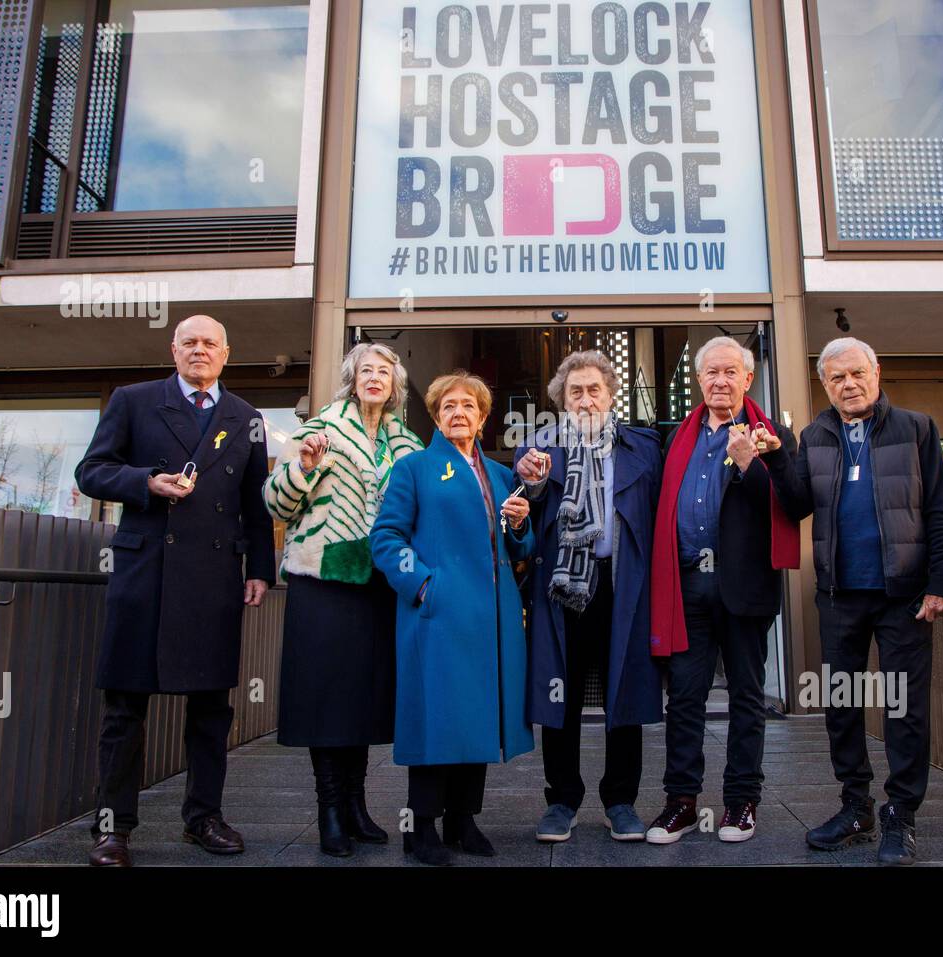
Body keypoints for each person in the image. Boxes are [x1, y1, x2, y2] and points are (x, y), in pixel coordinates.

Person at [75, 314, 275, 867]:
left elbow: (255, 504)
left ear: (226, 354)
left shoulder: (246, 418)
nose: (199, 351)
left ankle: (203, 818)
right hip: (145, 576)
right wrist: (143, 483)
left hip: (214, 580)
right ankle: (113, 829)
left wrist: (260, 568)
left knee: (212, 709)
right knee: (124, 707)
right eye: (189, 342)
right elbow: (90, 471)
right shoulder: (134, 400)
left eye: (210, 343)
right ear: (174, 349)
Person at [765, 336, 943, 865]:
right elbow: (797, 504)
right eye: (836, 378)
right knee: (843, 707)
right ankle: (856, 806)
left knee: (904, 708)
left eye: (857, 374)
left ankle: (901, 815)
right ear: (825, 385)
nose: (848, 385)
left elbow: (941, 510)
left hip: (905, 595)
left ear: (876, 373)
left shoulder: (915, 428)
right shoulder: (816, 434)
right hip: (839, 596)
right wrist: (779, 458)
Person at [263, 342, 423, 857]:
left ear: (395, 386)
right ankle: (329, 812)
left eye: (384, 372)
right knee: (325, 698)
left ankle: (356, 807)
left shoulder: (409, 444)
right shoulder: (319, 431)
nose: (375, 378)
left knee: (361, 697)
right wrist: (303, 469)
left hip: (379, 584)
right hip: (324, 579)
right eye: (366, 371)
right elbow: (275, 502)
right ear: (352, 380)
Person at [370, 371, 535, 866]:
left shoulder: (504, 476)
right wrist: (423, 584)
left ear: (483, 419)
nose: (458, 412)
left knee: (478, 717)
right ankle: (421, 826)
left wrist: (521, 525)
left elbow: (519, 550)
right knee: (436, 719)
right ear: (437, 418)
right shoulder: (414, 468)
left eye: (468, 406)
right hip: (438, 616)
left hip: (493, 621)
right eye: (448, 406)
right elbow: (385, 539)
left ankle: (463, 820)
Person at [645, 336, 799, 845]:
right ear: (699, 379)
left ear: (748, 379)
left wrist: (753, 463)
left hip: (743, 586)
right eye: (711, 372)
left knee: (747, 697)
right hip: (688, 584)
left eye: (731, 372)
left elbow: (792, 504)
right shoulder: (679, 439)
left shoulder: (771, 437)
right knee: (685, 698)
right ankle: (681, 803)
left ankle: (741, 804)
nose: (720, 381)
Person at [514, 350, 663, 843]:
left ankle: (621, 800)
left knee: (625, 690)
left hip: (623, 586)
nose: (584, 398)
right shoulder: (538, 449)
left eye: (592, 389)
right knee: (563, 695)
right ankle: (562, 800)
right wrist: (533, 488)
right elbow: (524, 519)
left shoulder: (643, 447)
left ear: (610, 393)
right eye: (574, 391)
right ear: (561, 399)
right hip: (563, 588)